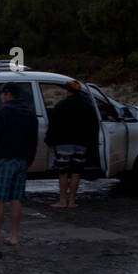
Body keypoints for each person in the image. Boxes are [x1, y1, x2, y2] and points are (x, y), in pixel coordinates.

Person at [0, 82, 38, 246]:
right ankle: (14, 236)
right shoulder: (30, 113)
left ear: (7, 94)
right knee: (16, 199)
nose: (1, 96)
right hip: (22, 160)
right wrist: (29, 159)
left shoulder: (3, 112)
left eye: (2, 94)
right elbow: (34, 140)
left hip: (5, 159)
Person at [45, 80, 99, 209]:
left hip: (63, 144)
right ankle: (72, 200)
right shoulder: (87, 106)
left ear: (67, 91)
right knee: (76, 172)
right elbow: (93, 127)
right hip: (81, 144)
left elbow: (53, 125)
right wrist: (90, 144)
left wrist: (50, 141)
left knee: (63, 172)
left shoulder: (61, 106)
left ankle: (62, 200)